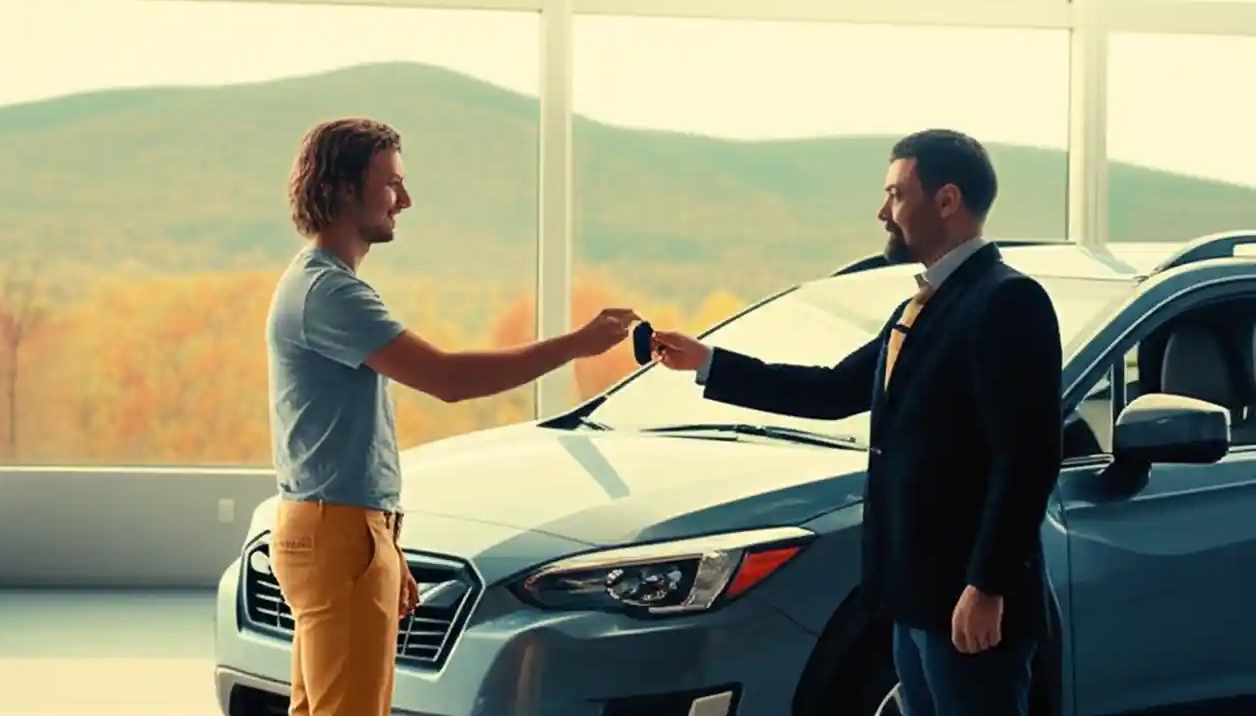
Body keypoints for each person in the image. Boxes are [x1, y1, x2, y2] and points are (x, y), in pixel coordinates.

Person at [652, 129, 1062, 716]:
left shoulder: (1008, 302)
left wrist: (987, 586)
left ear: (946, 201)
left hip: (967, 604)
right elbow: (834, 389)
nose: (882, 212)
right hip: (915, 601)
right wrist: (709, 363)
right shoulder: (920, 308)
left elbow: (1026, 457)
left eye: (895, 194)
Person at [265, 117, 640, 716]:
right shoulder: (330, 293)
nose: (405, 201)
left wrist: (383, 547)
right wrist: (575, 345)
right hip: (338, 534)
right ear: (340, 190)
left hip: (342, 531)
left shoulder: (316, 285)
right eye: (390, 185)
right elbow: (450, 379)